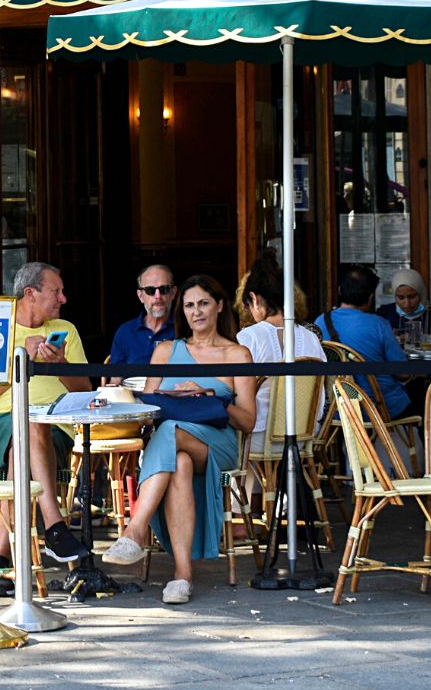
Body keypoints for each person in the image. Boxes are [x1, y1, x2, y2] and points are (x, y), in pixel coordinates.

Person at [100, 274, 256, 605]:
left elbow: (248, 421)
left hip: (217, 443)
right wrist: (171, 397)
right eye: (188, 305)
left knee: (171, 435)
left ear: (219, 306)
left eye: (203, 303)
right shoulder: (167, 350)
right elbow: (150, 408)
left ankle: (136, 529)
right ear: (181, 311)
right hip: (173, 445)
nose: (196, 312)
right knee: (179, 461)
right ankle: (182, 576)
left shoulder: (237, 354)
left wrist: (210, 396)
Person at [0, 261, 88, 569]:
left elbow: (84, 390)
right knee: (26, 421)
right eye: (56, 292)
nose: (63, 299)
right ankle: (55, 526)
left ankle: (1, 551)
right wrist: (22, 363)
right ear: (30, 294)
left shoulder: (65, 330)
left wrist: (59, 367)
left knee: (27, 434)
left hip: (56, 427)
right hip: (4, 423)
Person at [235, 252, 324, 454]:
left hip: (258, 437)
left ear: (254, 299)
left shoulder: (248, 338)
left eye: (247, 306)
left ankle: (251, 487)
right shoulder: (310, 337)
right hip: (304, 436)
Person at [318, 264, 415, 421]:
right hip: (379, 406)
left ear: (340, 290)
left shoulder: (321, 321)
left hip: (338, 407)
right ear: (371, 297)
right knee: (424, 403)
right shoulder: (379, 325)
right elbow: (402, 373)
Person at [105, 264, 176, 384]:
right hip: (132, 399)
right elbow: (116, 379)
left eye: (164, 289)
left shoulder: (186, 329)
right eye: (150, 290)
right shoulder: (125, 331)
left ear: (173, 293)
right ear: (140, 296)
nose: (158, 296)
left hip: (173, 398)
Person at [376, 267, 431, 347]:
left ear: (421, 293)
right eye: (401, 298)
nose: (407, 304)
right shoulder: (384, 314)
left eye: (412, 297)